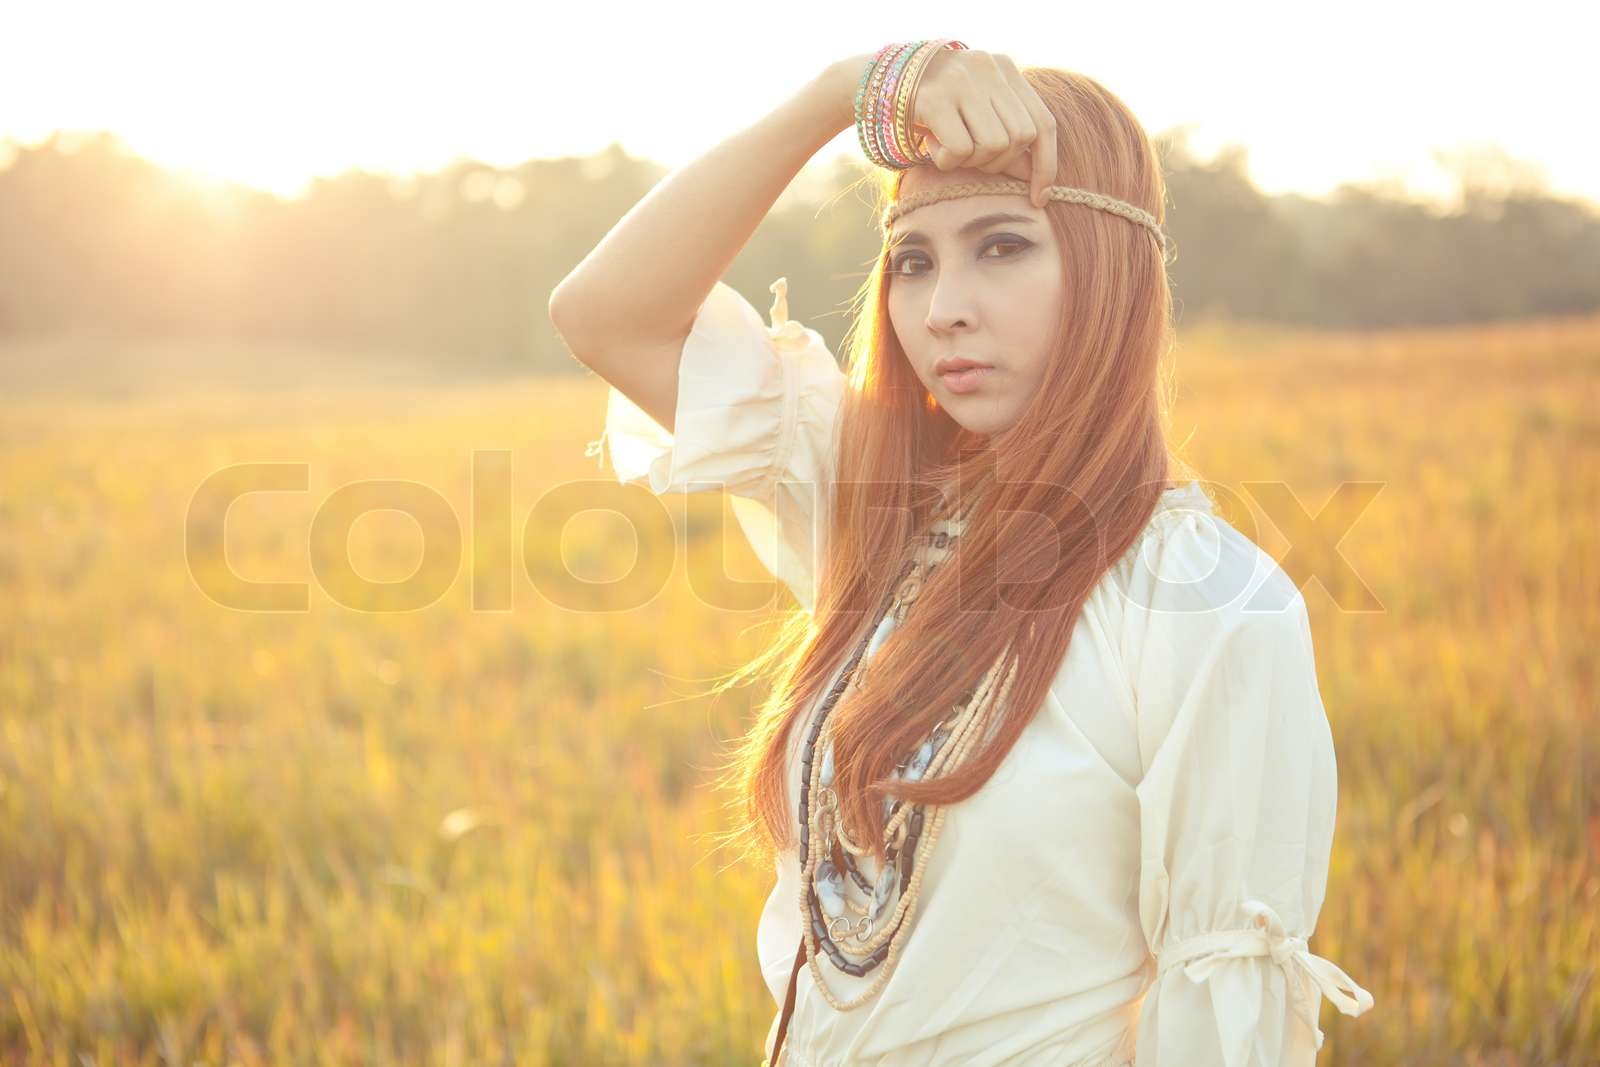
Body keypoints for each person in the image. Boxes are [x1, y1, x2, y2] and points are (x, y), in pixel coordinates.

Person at [550, 42, 1374, 1067]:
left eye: (1001, 246)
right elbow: (602, 314)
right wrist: (835, 94)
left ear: (1111, 267)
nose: (941, 309)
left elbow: (1219, 1018)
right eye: (914, 260)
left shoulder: (1207, 606)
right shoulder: (874, 506)